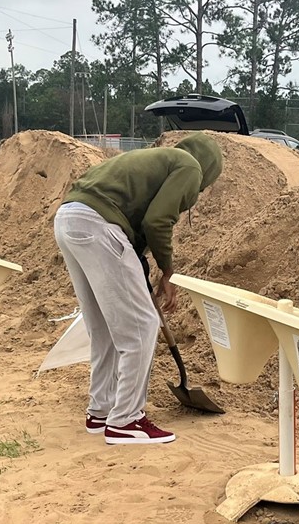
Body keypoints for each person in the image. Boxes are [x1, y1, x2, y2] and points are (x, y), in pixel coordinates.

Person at [53, 132, 222, 445]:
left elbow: (135, 220)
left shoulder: (155, 161)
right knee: (142, 325)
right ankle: (127, 420)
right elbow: (157, 221)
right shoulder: (189, 167)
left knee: (103, 327)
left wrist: (139, 263)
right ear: (209, 169)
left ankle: (101, 411)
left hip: (70, 219)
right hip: (98, 225)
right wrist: (168, 272)